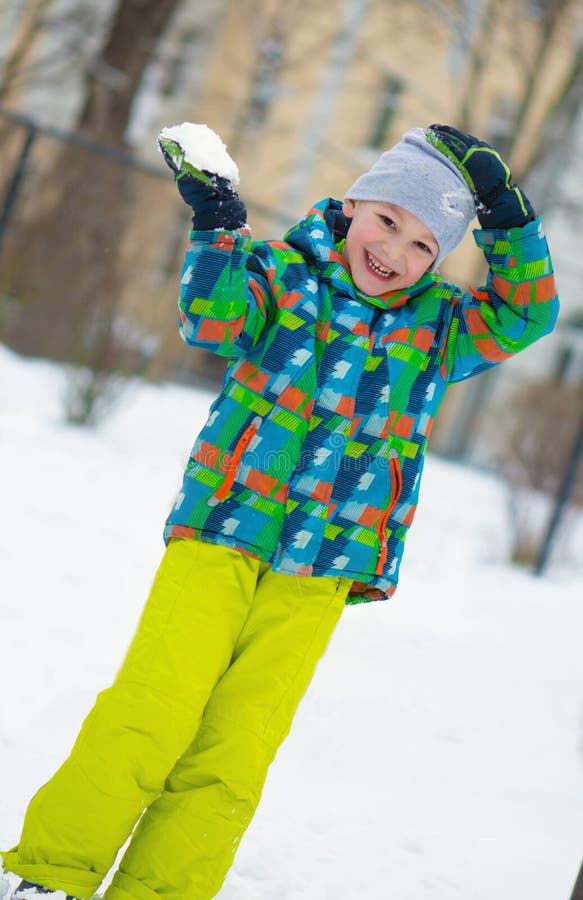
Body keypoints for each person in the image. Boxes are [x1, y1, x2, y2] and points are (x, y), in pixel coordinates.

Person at [0, 123, 559, 900]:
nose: (394, 252)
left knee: (236, 747)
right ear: (353, 201)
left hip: (325, 567)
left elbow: (526, 314)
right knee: (152, 710)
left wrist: (506, 218)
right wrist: (219, 224)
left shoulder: (438, 328)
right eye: (388, 220)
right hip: (224, 531)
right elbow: (213, 321)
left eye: (424, 246)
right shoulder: (285, 275)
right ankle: (54, 876)